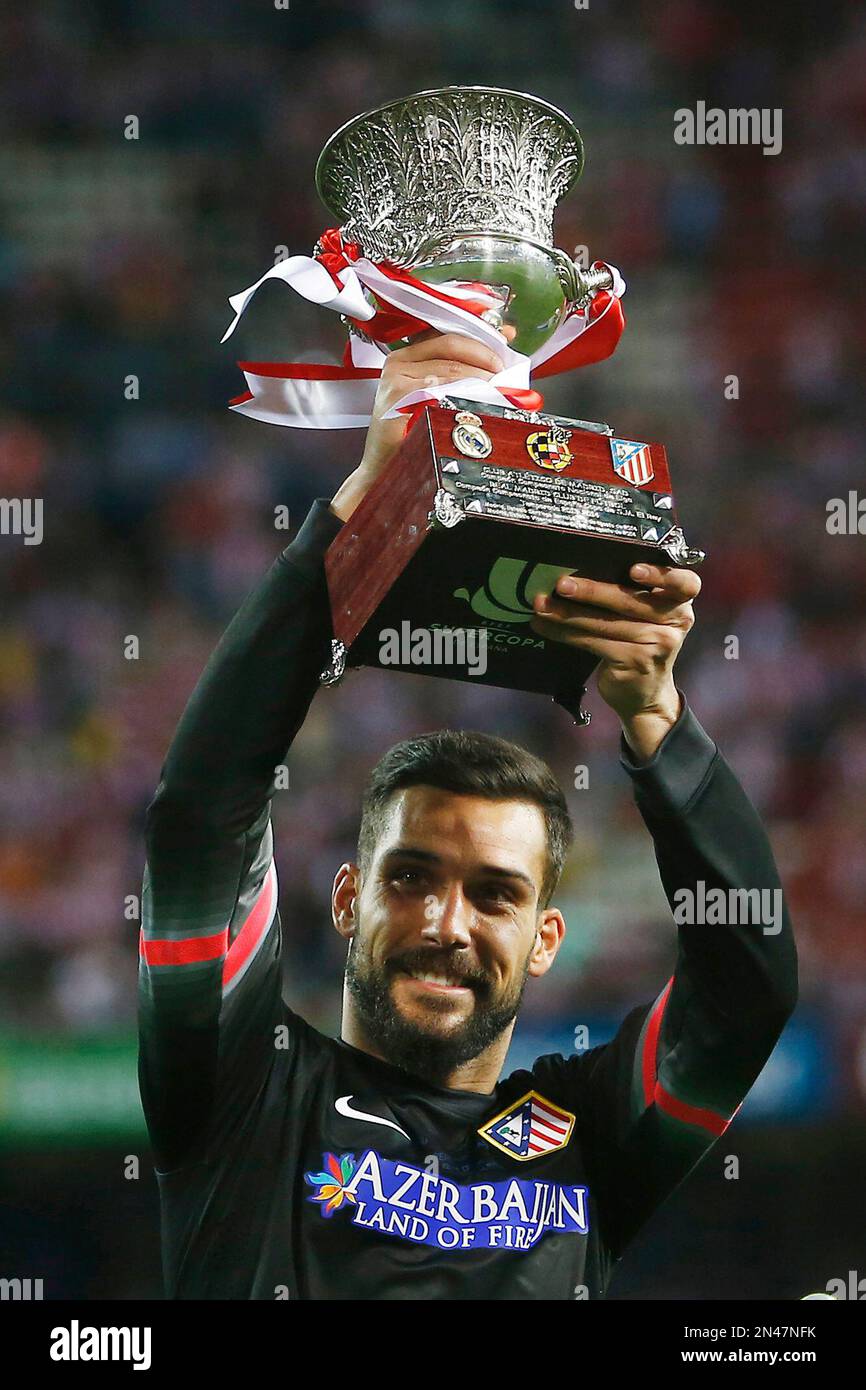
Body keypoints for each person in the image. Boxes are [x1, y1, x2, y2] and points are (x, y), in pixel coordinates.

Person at [138, 330, 797, 1299]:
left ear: (543, 939)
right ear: (346, 897)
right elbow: (200, 816)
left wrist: (657, 718)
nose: (447, 923)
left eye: (495, 894)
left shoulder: (588, 1144)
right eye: (410, 878)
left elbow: (747, 991)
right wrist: (355, 521)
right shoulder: (242, 1087)